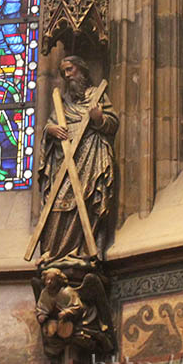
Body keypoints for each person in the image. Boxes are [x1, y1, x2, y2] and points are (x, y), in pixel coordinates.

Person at [37, 56, 117, 263]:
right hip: (63, 156)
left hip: (90, 153)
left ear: (82, 70)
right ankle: (54, 252)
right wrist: (51, 130)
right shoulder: (63, 102)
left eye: (70, 69)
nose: (67, 75)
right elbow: (50, 125)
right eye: (64, 72)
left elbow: (112, 122)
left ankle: (83, 251)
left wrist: (99, 118)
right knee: (57, 202)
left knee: (87, 200)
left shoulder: (96, 95)